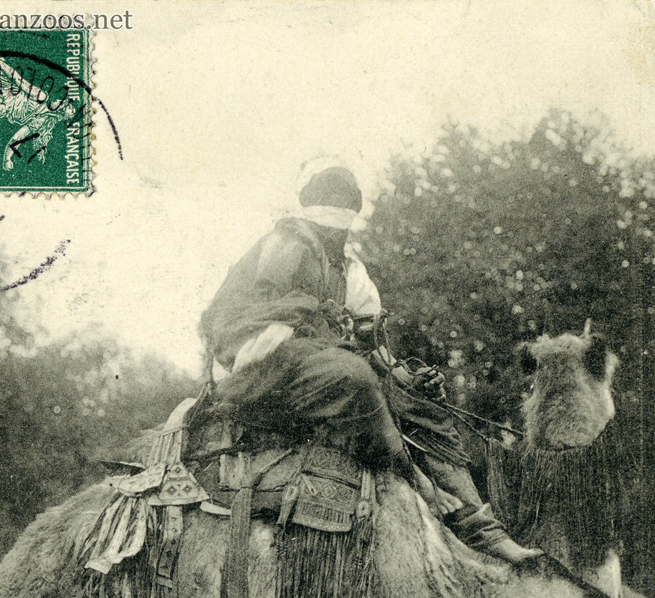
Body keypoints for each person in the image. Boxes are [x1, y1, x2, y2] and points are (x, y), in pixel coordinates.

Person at [200, 158, 540, 564]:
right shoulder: (285, 244)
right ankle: (418, 482)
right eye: (328, 223)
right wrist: (320, 323)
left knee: (418, 398)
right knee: (355, 377)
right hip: (262, 367)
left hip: (317, 365)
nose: (334, 233)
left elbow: (371, 341)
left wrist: (405, 376)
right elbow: (265, 316)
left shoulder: (351, 271)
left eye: (340, 225)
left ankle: (482, 528)